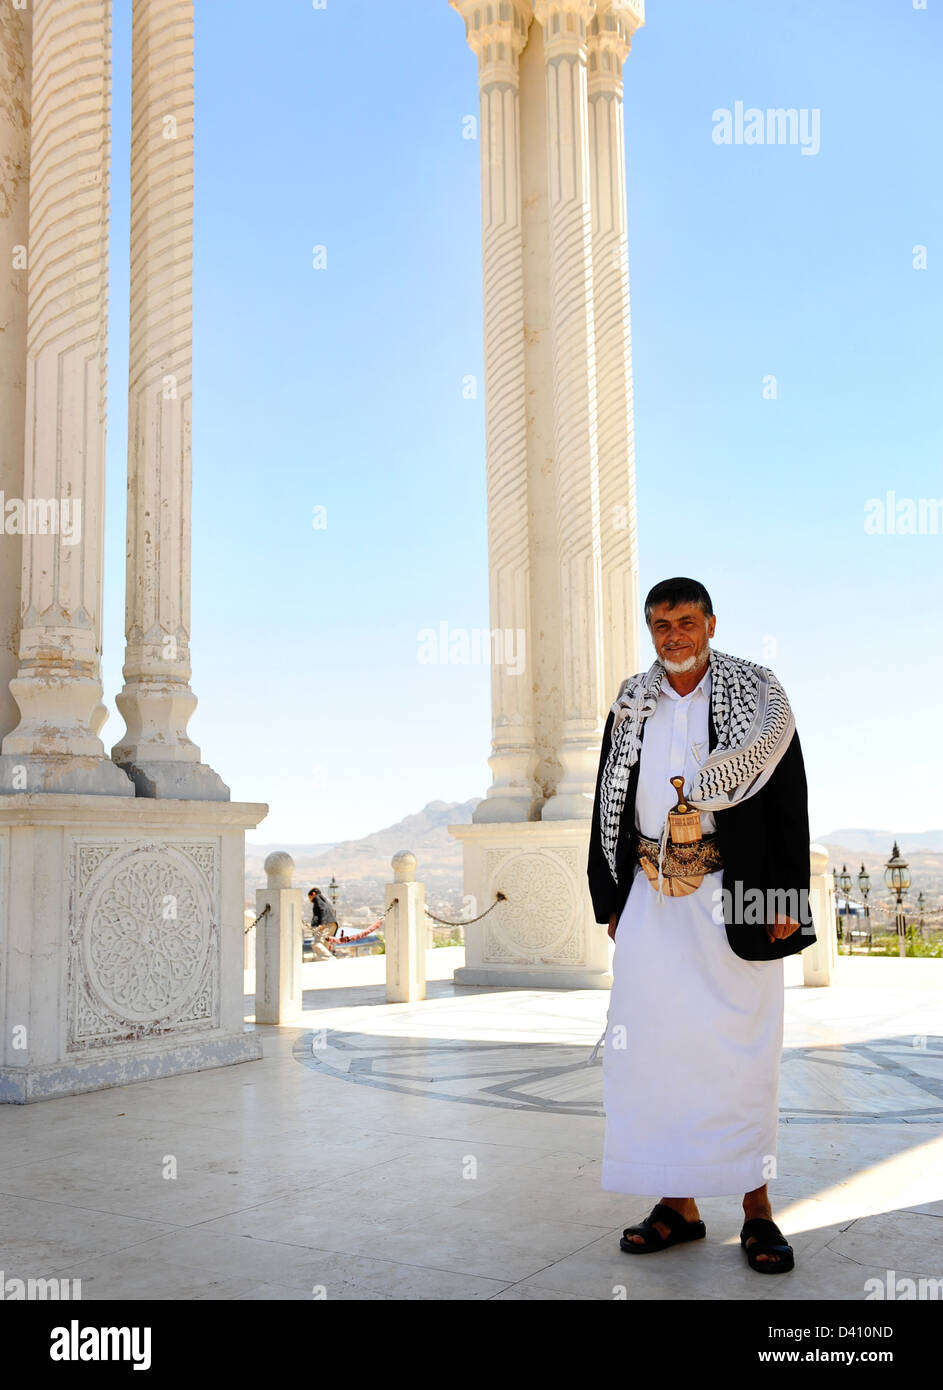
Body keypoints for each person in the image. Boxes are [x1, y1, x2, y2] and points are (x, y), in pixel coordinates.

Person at [587, 577, 816, 1274]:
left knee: (738, 1052)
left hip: (732, 890)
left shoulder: (758, 696)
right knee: (653, 1050)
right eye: (659, 625)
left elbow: (787, 801)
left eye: (685, 621)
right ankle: (676, 1205)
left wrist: (782, 898)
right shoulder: (631, 703)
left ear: (710, 624)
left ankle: (756, 1209)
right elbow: (607, 798)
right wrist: (612, 898)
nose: (672, 636)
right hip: (652, 895)